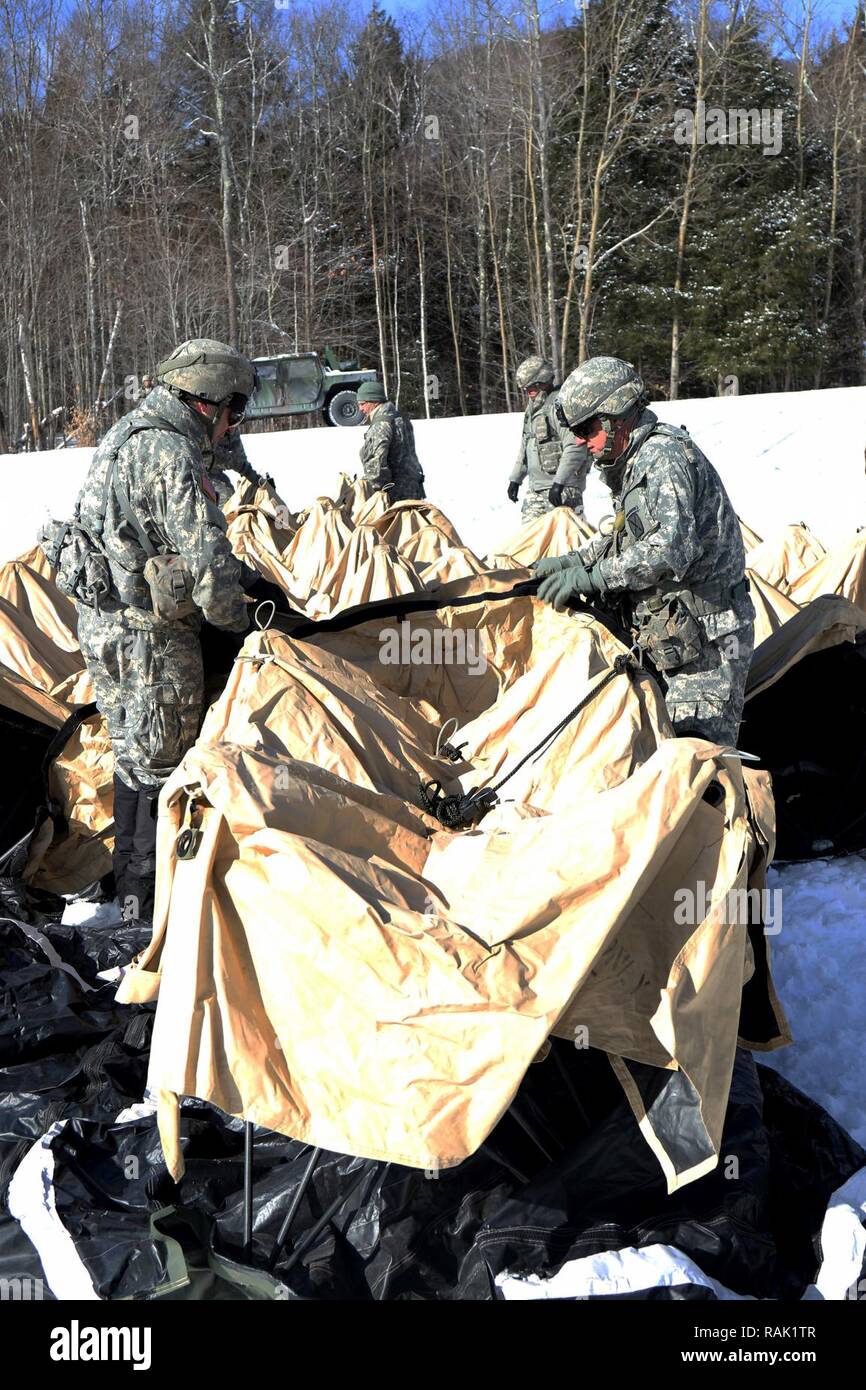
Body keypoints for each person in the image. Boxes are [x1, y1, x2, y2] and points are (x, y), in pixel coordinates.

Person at [72, 338, 261, 924]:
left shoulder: (122, 434)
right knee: (165, 773)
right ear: (208, 403)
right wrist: (248, 621)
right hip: (152, 642)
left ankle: (127, 897)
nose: (233, 427)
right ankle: (152, 915)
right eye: (235, 412)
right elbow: (207, 567)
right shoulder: (171, 453)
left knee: (131, 759)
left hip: (105, 632)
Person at [531, 356, 755, 746]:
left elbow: (669, 549)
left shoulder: (663, 458)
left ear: (614, 418)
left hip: (709, 646)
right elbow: (628, 537)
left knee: (697, 766)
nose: (583, 441)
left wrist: (593, 576)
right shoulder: (635, 462)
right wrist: (577, 561)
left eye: (587, 429)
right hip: (676, 639)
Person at [507, 356, 589, 521]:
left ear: (542, 381)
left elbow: (575, 446)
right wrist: (516, 478)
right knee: (532, 540)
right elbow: (527, 444)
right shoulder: (533, 408)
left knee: (567, 539)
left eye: (531, 387)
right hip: (537, 489)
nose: (528, 392)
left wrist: (559, 483)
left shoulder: (560, 406)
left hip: (564, 489)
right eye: (526, 389)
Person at [357, 381, 425, 501]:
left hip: (394, 494)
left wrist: (374, 491)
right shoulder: (401, 418)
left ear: (374, 401)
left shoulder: (381, 425)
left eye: (362, 404)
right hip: (413, 488)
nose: (360, 409)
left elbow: (377, 461)